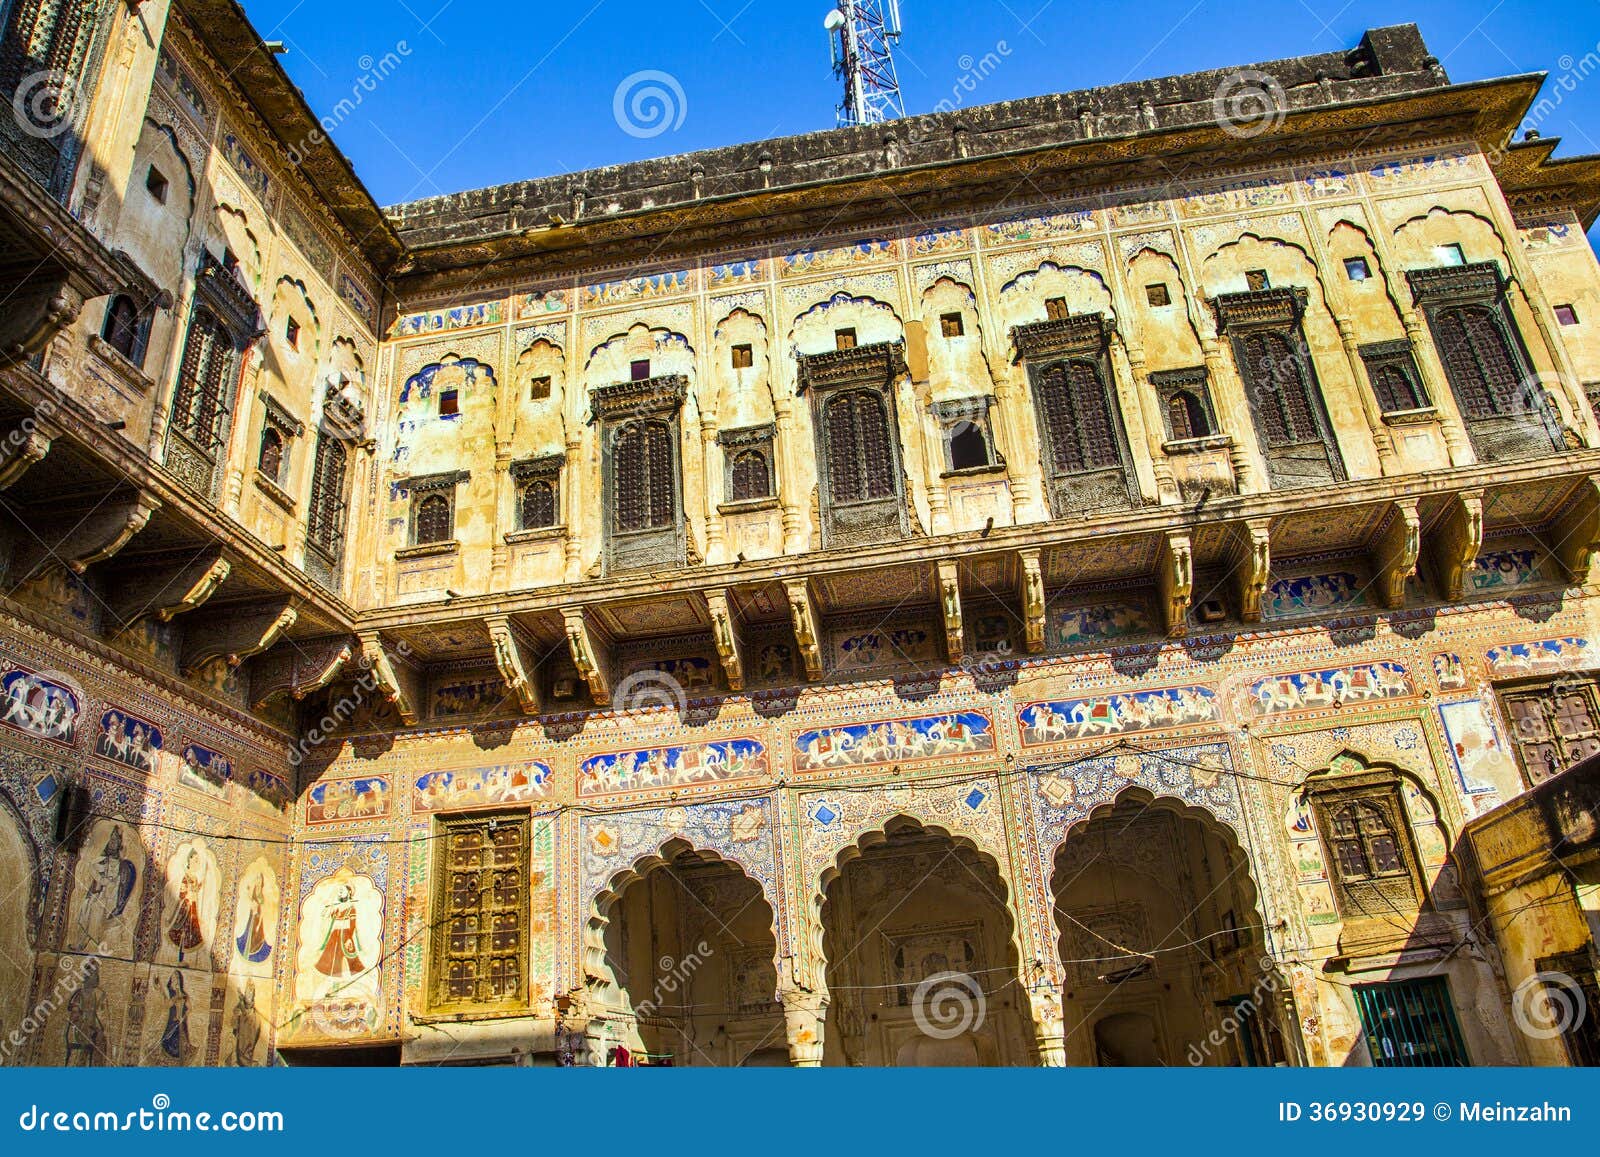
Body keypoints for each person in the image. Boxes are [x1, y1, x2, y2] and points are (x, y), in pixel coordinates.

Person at [166, 849, 206, 963]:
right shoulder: (186, 876)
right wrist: (188, 894)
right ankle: (178, 958)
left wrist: (200, 885)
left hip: (193, 907)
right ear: (190, 860)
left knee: (190, 933)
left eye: (198, 861)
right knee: (182, 932)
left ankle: (182, 959)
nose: (197, 863)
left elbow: (195, 890)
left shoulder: (194, 877)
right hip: (186, 907)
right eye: (195, 860)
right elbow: (181, 893)